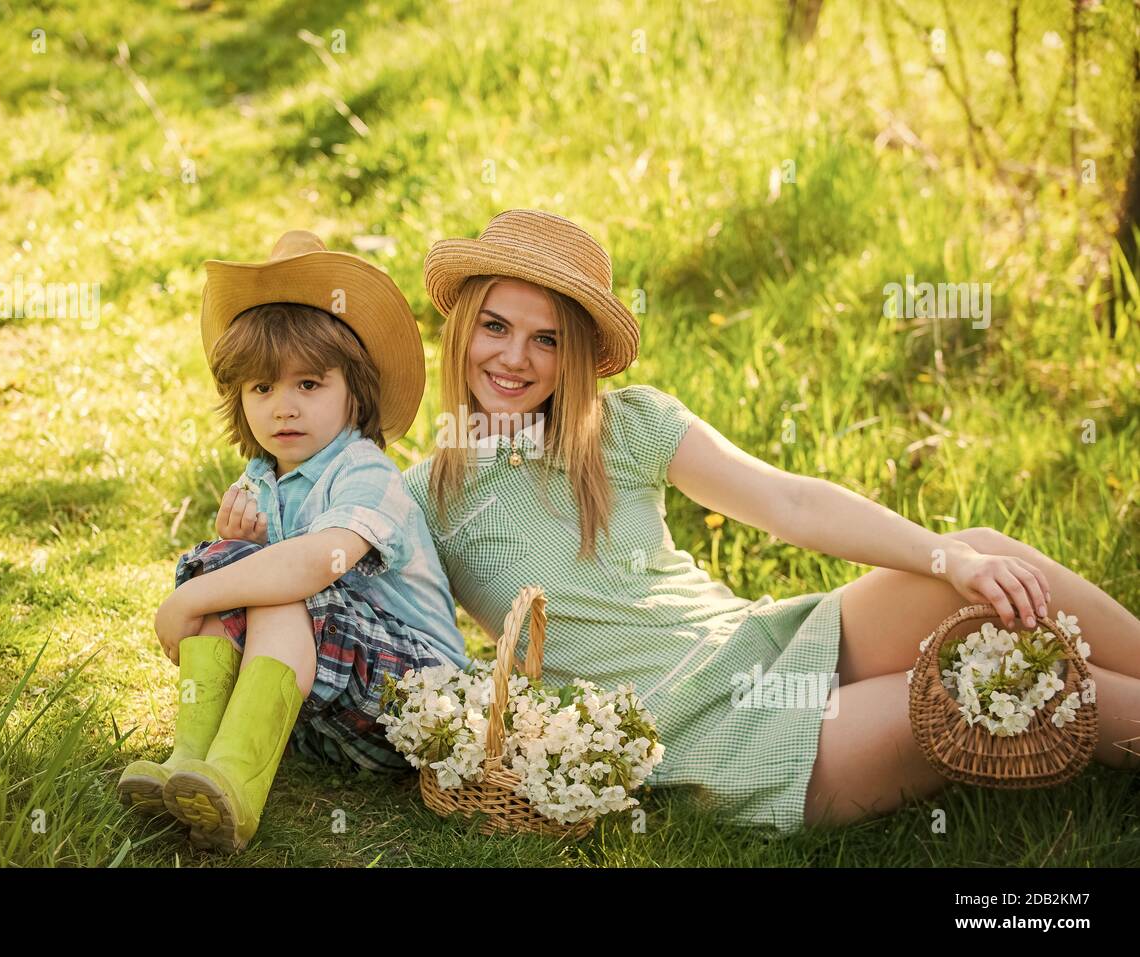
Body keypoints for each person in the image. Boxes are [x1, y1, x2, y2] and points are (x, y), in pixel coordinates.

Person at [402, 208, 1140, 835]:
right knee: (984, 681)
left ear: (580, 356)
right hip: (707, 735)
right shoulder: (425, 496)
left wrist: (948, 559)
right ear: (463, 325)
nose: (513, 357)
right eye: (495, 326)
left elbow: (788, 501)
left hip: (763, 641)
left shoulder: (628, 425)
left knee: (987, 558)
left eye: (547, 338)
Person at [119, 230, 468, 852]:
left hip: (418, 703)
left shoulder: (365, 470)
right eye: (262, 388)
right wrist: (233, 556)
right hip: (323, 716)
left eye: (309, 385)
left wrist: (188, 601)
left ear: (353, 391)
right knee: (231, 563)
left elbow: (309, 567)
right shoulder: (260, 481)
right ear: (240, 399)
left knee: (278, 585)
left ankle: (237, 784)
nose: (284, 407)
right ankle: (191, 760)